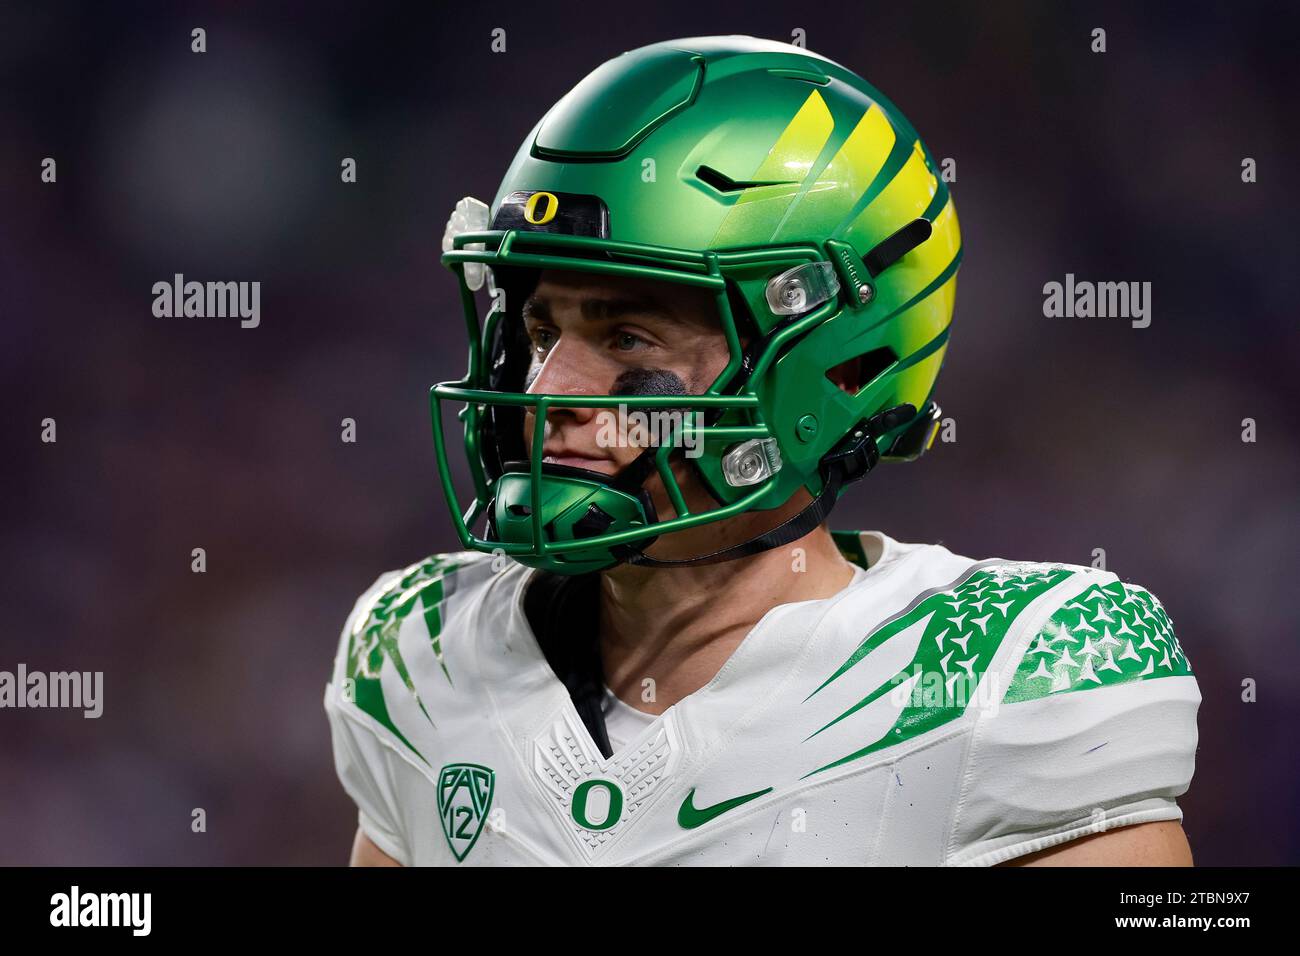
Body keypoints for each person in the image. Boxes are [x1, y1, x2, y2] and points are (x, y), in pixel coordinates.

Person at [325, 36, 1199, 866]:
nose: (550, 390)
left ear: (838, 365)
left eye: (629, 338)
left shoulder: (1005, 674)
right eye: (541, 328)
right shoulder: (422, 655)